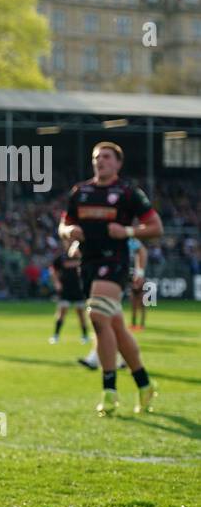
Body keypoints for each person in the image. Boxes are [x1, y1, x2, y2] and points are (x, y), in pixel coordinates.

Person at [58, 141, 161, 415]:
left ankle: (110, 390)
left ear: (117, 163)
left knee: (97, 317)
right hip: (88, 264)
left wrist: (127, 233)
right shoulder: (81, 192)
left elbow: (155, 227)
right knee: (114, 326)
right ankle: (144, 384)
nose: (99, 161)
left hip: (114, 262)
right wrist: (69, 232)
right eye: (96, 157)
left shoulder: (128, 192)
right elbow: (64, 224)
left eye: (105, 157)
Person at [49, 240, 89, 345]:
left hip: (78, 289)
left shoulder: (83, 257)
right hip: (65, 289)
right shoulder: (61, 257)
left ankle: (85, 336)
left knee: (81, 313)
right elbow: (53, 270)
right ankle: (56, 335)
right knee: (62, 312)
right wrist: (57, 282)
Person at [128, 235, 148, 332]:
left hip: (139, 278)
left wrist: (140, 274)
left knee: (142, 303)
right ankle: (134, 324)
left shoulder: (139, 251)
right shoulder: (133, 252)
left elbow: (143, 254)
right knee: (134, 304)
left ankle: (142, 324)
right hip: (132, 278)